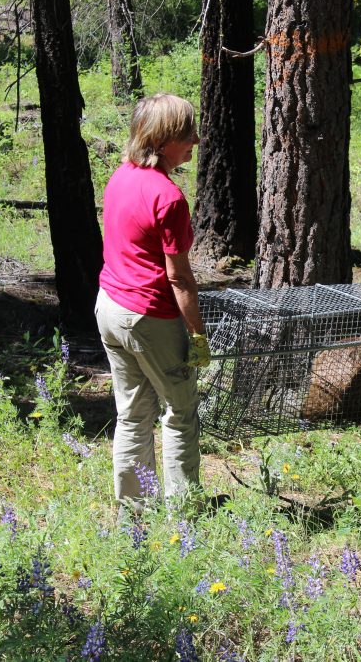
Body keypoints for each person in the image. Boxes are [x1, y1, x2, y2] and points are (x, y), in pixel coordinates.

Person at [95, 93, 211, 521]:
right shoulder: (169, 197)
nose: (195, 141)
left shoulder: (120, 176)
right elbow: (179, 278)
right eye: (187, 134)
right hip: (149, 317)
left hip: (109, 307)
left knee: (132, 414)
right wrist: (197, 334)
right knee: (180, 412)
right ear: (162, 142)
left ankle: (134, 513)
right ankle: (186, 518)